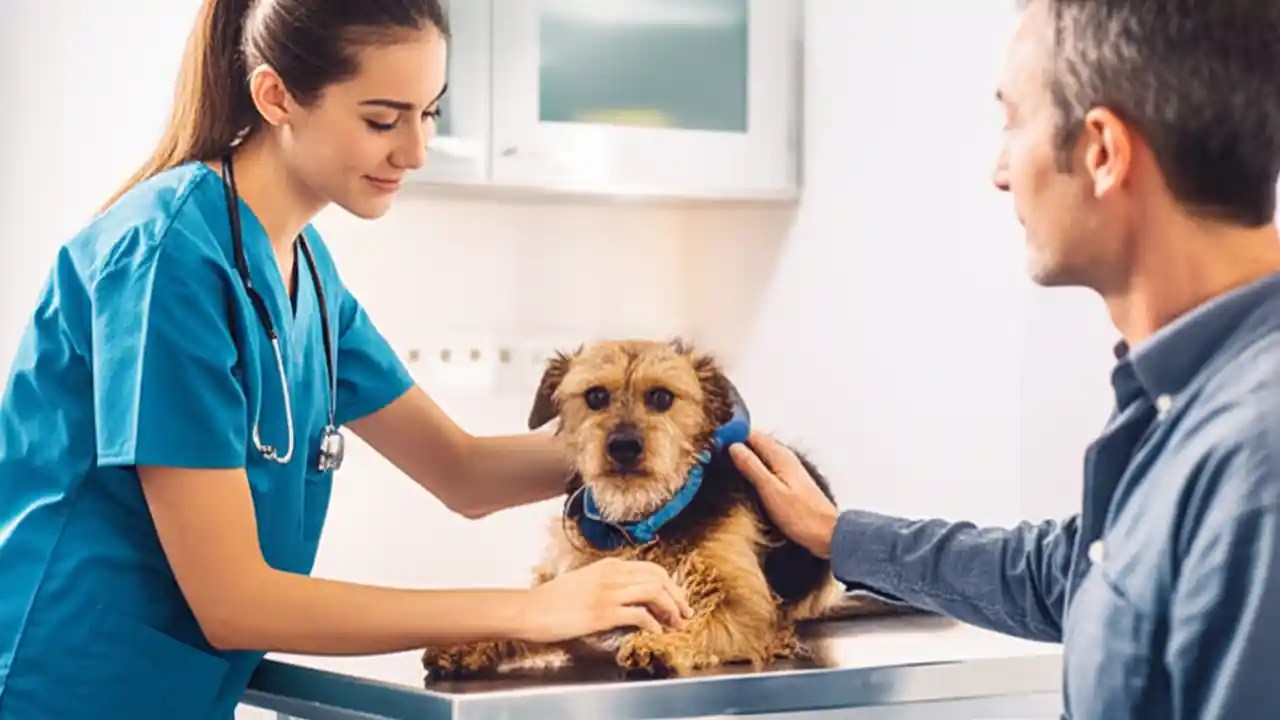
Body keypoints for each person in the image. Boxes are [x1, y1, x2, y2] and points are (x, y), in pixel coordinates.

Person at [0, 1, 694, 717]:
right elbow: (233, 601)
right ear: (276, 97)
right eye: (382, 119)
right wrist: (534, 611)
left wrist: (675, 449)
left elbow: (462, 470)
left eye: (429, 113)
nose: (416, 150)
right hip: (59, 689)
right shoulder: (167, 260)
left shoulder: (305, 270)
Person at [732, 0, 1280, 718]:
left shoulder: (1255, 458)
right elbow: (1066, 573)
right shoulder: (1193, 402)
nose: (1000, 171)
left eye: (1013, 122)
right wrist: (836, 536)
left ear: (1102, 152)